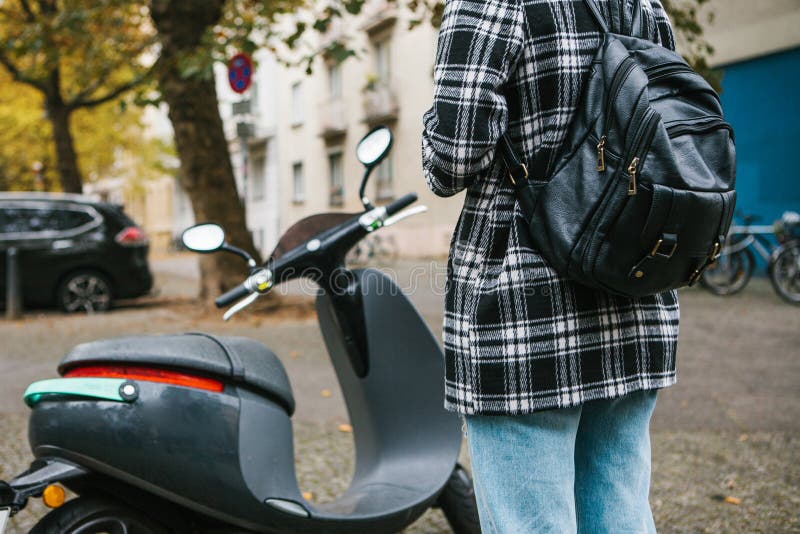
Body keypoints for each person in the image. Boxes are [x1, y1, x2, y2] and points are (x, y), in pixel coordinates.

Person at [421, 0, 679, 532]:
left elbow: (452, 159)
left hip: (523, 306)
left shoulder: (491, 4)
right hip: (633, 292)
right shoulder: (644, 6)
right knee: (622, 512)